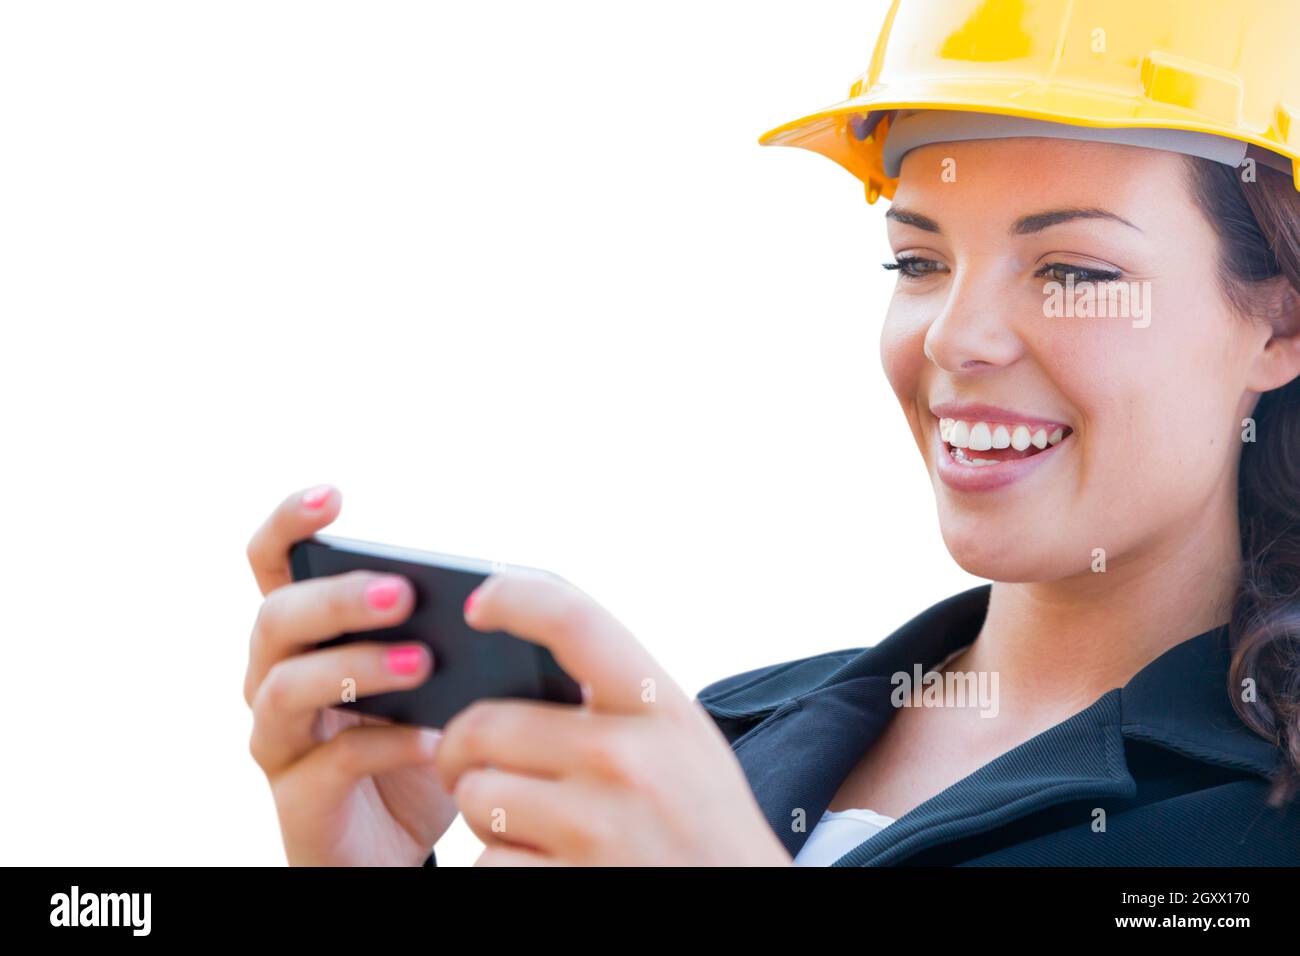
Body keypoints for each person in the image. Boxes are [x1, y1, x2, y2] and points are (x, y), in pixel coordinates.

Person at [242, 0, 1300, 865]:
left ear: (1279, 324)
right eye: (918, 262)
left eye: (1072, 271)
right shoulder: (711, 741)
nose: (955, 336)